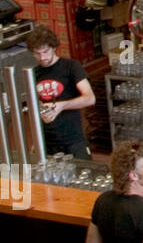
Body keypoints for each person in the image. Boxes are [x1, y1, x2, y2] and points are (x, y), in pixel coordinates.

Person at [27, 25, 95, 159]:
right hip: (47, 142)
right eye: (37, 53)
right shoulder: (33, 73)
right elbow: (35, 106)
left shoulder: (71, 67)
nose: (42, 58)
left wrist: (61, 106)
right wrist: (36, 140)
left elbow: (90, 98)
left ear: (53, 47)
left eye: (45, 52)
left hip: (73, 140)